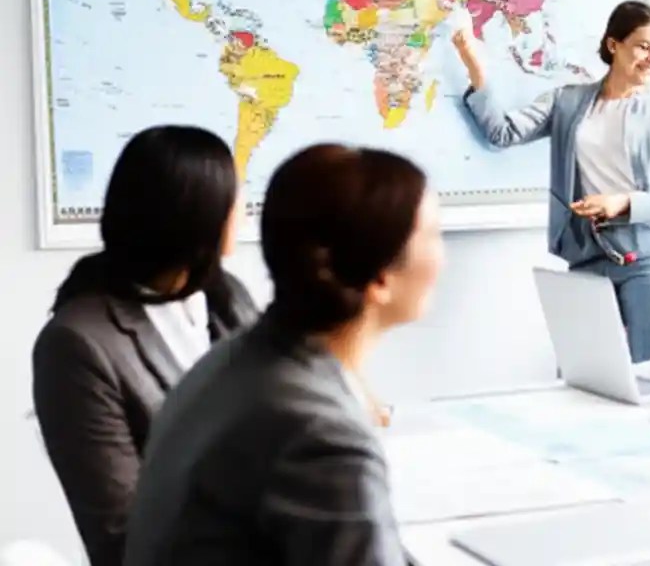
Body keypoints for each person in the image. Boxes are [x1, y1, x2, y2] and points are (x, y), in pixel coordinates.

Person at [123, 144, 440, 565]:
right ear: (380, 279)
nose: (442, 255)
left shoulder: (236, 360)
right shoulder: (321, 433)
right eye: (434, 236)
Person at [31, 125, 258, 566]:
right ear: (195, 213)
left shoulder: (226, 296)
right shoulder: (77, 344)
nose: (242, 208)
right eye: (234, 196)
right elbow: (123, 537)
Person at [453, 0, 650, 362]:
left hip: (647, 258)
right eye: (643, 46)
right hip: (587, 256)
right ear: (614, 45)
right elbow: (502, 132)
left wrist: (621, 202)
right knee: (589, 378)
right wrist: (473, 63)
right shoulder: (567, 102)